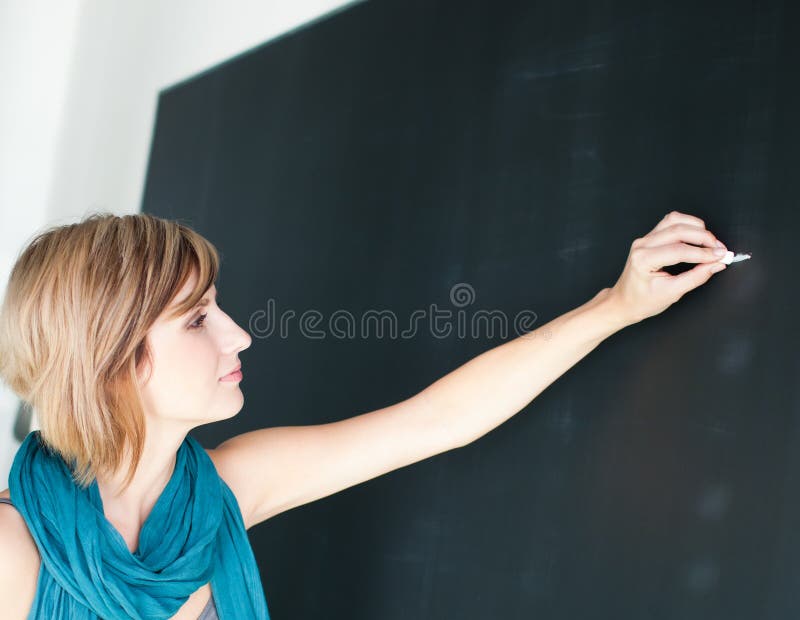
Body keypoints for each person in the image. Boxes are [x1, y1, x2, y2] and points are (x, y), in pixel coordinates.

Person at [0, 210, 729, 619]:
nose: (239, 334)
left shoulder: (227, 490)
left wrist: (618, 306)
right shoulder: (12, 547)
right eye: (197, 321)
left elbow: (439, 420)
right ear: (115, 359)